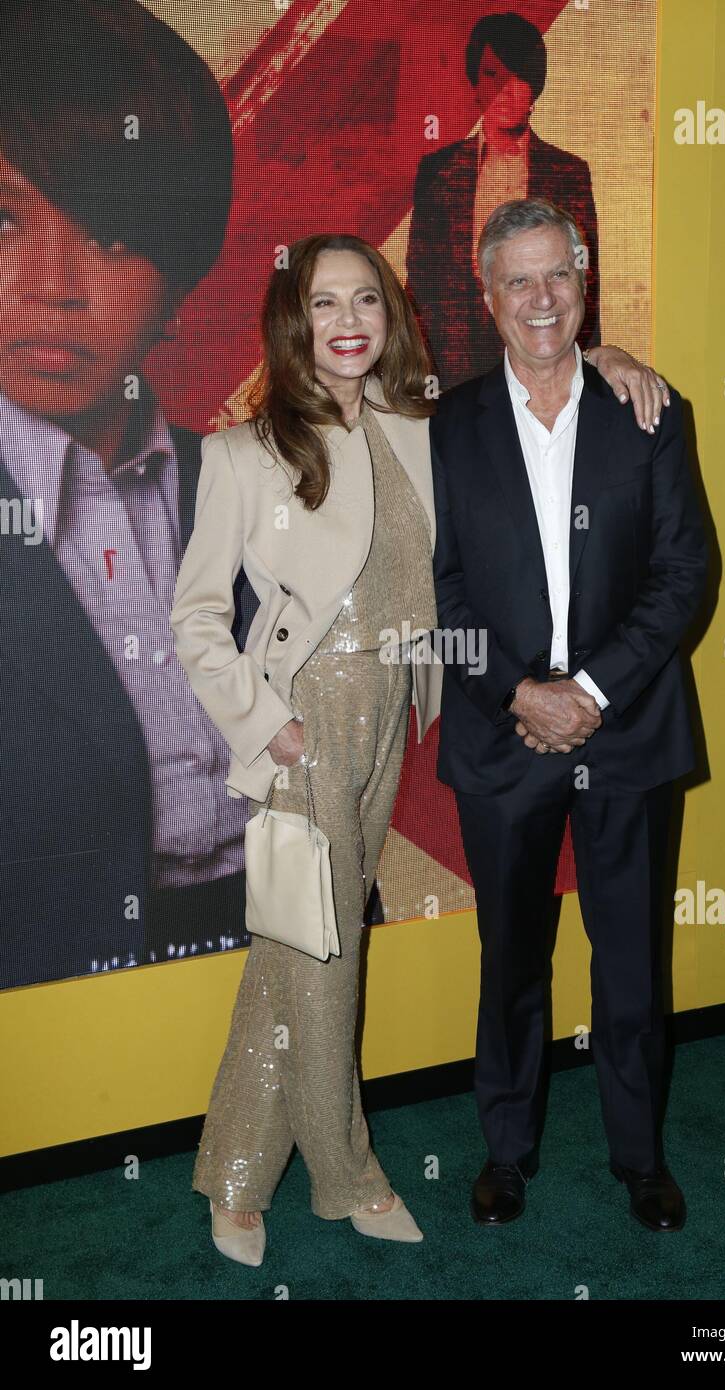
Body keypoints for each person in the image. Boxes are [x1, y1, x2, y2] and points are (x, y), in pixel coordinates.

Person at [170, 229, 670, 1264]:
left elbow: (535, 404)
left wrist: (611, 360)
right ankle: (346, 1177)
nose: (348, 322)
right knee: (322, 953)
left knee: (285, 951)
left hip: (392, 724)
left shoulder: (417, 428)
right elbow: (194, 618)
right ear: (293, 320)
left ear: (390, 317)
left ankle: (231, 1175)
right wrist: (270, 724)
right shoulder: (241, 451)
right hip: (303, 732)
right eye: (324, 303)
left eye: (366, 300)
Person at [430, 198, 708, 1232]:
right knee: (509, 956)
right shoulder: (444, 427)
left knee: (630, 953)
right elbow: (437, 593)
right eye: (519, 280)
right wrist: (517, 692)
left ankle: (639, 1156)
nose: (541, 298)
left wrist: (589, 694)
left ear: (582, 279)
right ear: (487, 294)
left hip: (625, 727)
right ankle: (506, 1149)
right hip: (501, 731)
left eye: (558, 274)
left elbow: (685, 573)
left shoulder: (646, 407)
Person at [0, 0, 252, 988]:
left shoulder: (248, 486)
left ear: (182, 277)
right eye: (6, 218)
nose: (53, 284)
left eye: (109, 238)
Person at [406, 10, 600, 392]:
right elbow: (420, 281)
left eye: (518, 76)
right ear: (475, 82)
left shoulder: (568, 172)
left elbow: (584, 282)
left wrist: (586, 376)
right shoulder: (438, 169)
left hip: (542, 359)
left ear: (535, 87)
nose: (504, 90)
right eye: (493, 75)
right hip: (451, 370)